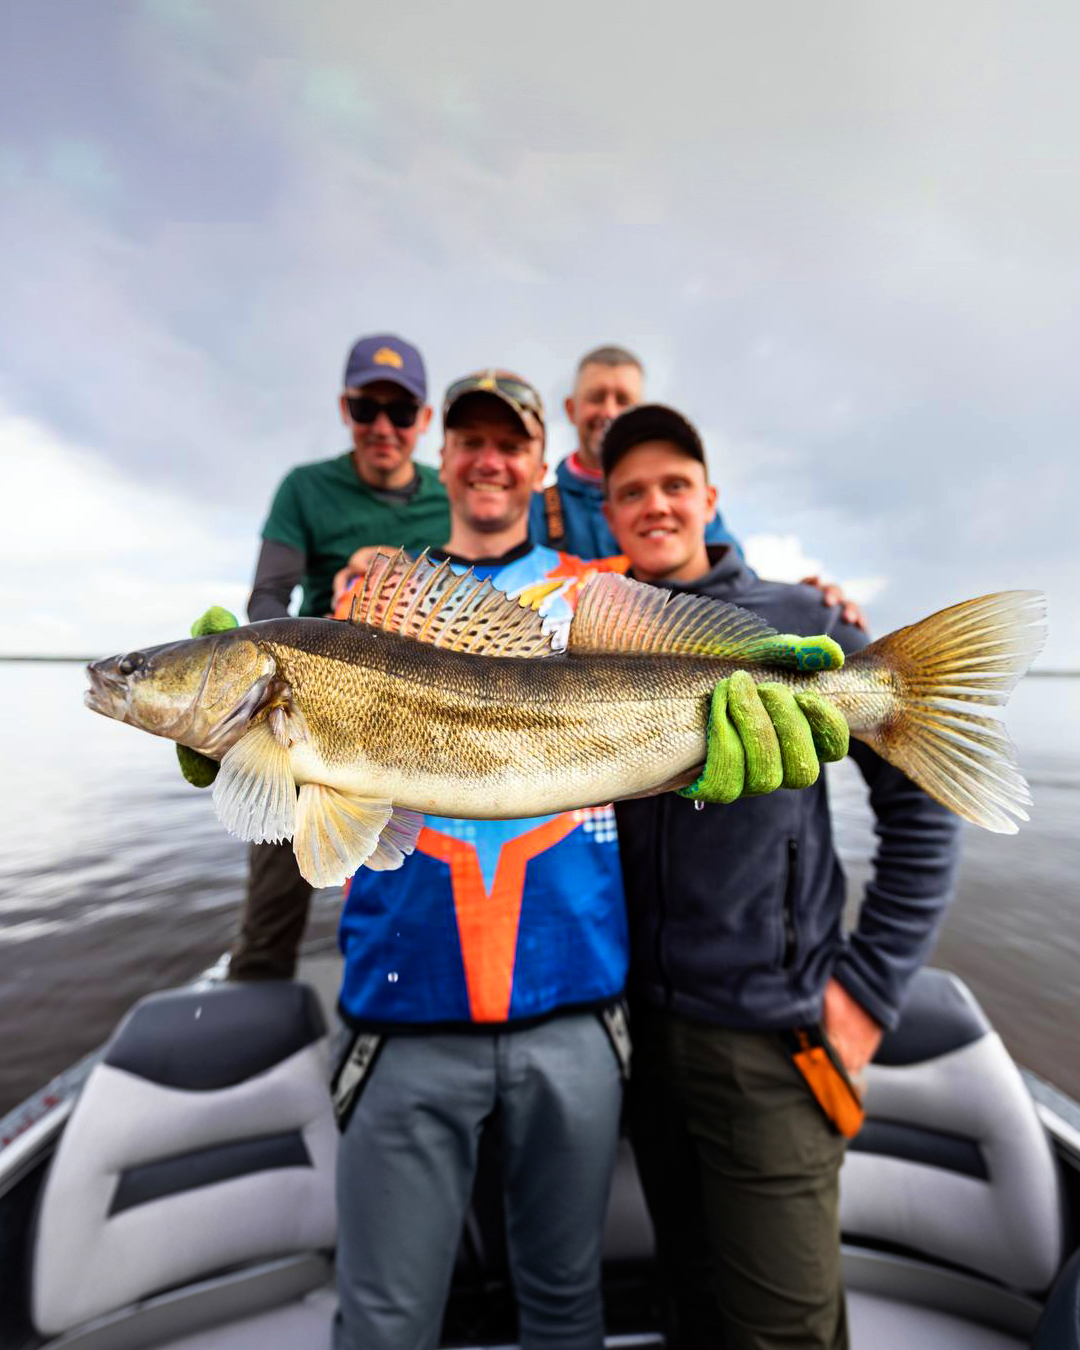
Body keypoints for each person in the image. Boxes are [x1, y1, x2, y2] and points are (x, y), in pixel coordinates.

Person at [329, 372, 840, 1350]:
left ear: (542, 463)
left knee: (570, 1309)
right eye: (469, 442)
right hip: (402, 1008)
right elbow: (286, 668)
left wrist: (820, 608)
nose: (487, 460)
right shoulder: (365, 592)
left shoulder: (594, 591)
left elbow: (709, 603)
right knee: (385, 1320)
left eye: (508, 442)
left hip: (572, 1009)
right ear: (441, 458)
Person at [599, 404, 962, 1350]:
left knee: (784, 1331)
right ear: (606, 511)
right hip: (643, 1041)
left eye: (675, 484)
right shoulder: (586, 642)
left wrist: (867, 994)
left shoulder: (803, 623)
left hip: (773, 1044)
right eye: (630, 491)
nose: (655, 505)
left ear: (710, 498)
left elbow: (921, 811)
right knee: (689, 1299)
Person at [233, 334, 449, 980]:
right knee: (279, 848)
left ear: (424, 421)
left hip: (423, 703)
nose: (383, 427)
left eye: (401, 412)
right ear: (344, 408)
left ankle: (416, 980)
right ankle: (257, 982)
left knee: (429, 859)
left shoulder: (451, 498)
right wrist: (343, 593)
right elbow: (267, 598)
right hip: (318, 695)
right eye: (366, 409)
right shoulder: (304, 489)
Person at [528, 344, 738, 559]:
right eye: (596, 398)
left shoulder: (685, 506)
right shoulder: (533, 511)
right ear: (571, 409)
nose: (609, 411)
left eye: (623, 400)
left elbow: (737, 581)